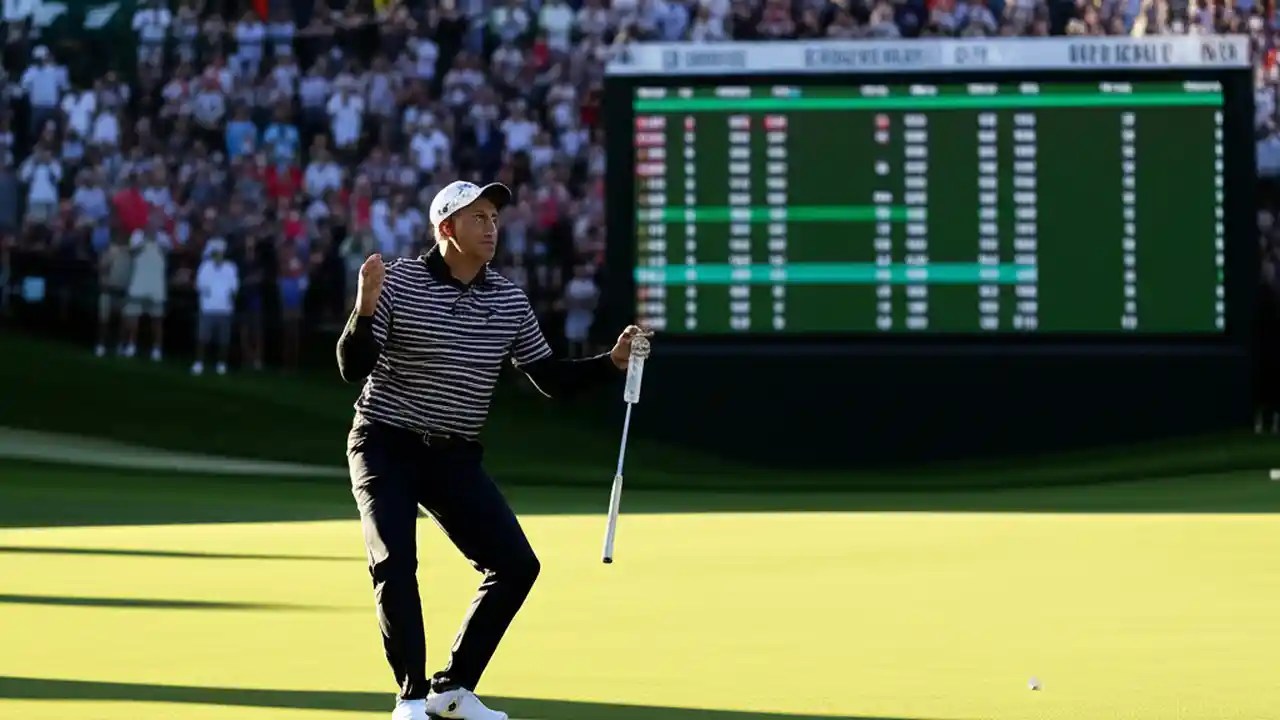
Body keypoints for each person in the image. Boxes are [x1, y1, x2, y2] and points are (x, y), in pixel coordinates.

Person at [336, 180, 651, 720]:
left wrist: (611, 363)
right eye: (478, 217)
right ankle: (410, 698)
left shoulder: (508, 299)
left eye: (494, 218)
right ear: (446, 228)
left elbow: (548, 377)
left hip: (453, 454)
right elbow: (352, 367)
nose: (491, 228)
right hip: (385, 441)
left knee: (516, 565)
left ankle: (452, 690)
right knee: (396, 562)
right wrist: (364, 308)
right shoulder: (398, 282)